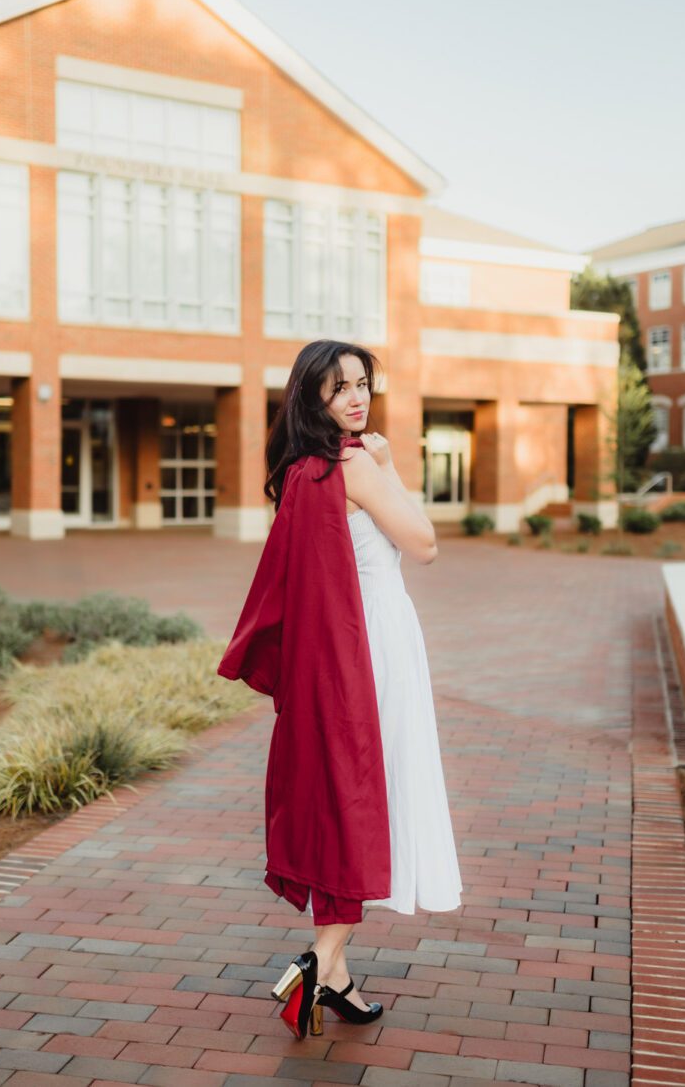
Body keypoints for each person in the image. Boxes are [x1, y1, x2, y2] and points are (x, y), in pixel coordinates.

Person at [217, 339, 463, 1040]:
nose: (357, 398)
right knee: (372, 800)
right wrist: (389, 465)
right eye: (339, 388)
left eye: (363, 384)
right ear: (312, 399)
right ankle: (317, 960)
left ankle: (334, 978)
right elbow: (424, 542)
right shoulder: (355, 462)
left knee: (356, 799)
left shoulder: (301, 471)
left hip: (337, 652)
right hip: (375, 645)